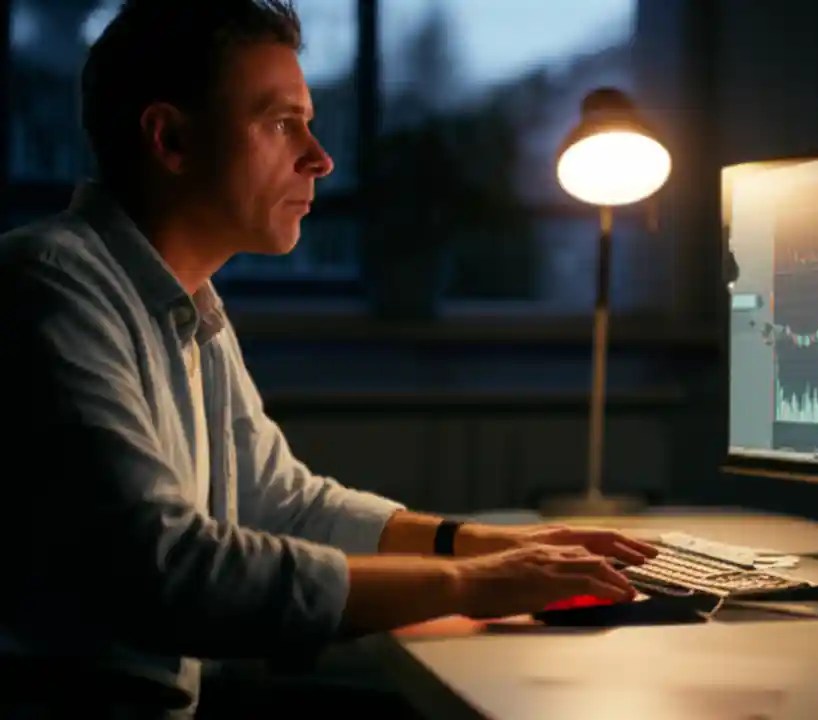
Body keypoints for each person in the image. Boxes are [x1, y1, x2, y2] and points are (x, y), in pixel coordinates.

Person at [0, 0, 657, 717]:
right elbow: (168, 573)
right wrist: (476, 584)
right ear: (171, 139)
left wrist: (478, 545)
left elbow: (279, 502)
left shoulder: (183, 302)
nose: (320, 157)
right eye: (283, 124)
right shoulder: (51, 287)